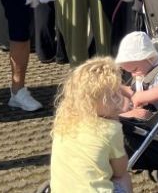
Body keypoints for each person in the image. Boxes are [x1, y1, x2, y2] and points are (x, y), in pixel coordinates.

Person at [49, 57, 134, 193]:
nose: (119, 98)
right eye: (113, 95)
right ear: (91, 100)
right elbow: (120, 170)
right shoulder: (111, 129)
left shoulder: (64, 121)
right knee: (124, 177)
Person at [115, 31, 158, 120]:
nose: (133, 75)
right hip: (140, 109)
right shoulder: (142, 72)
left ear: (148, 58)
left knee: (141, 114)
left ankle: (116, 119)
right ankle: (115, 117)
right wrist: (118, 88)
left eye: (134, 70)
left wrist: (141, 97)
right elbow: (133, 92)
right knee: (120, 104)